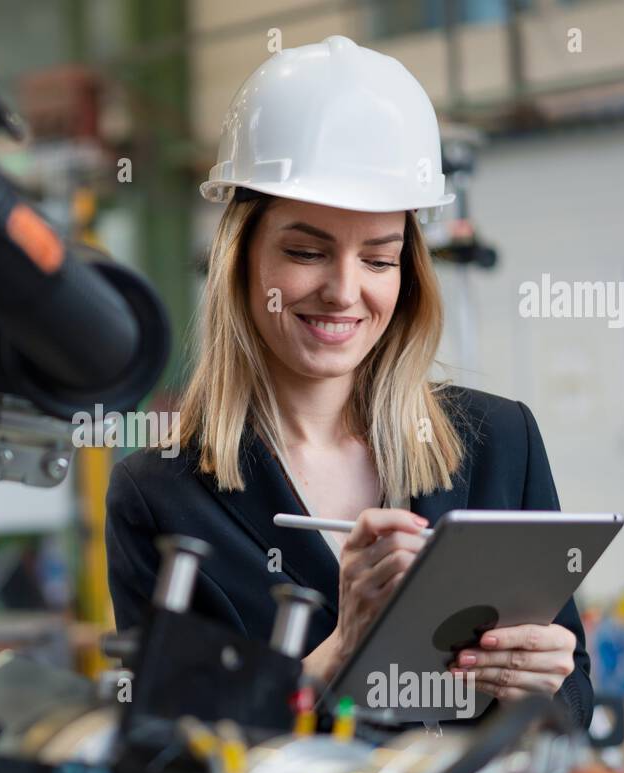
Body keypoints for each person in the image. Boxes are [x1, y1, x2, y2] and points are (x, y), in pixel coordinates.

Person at [105, 36, 591, 729]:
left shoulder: (498, 444)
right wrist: (334, 658)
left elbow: (572, 709)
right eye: (306, 251)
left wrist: (539, 685)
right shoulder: (160, 499)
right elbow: (166, 753)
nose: (344, 291)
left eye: (379, 259)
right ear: (241, 259)